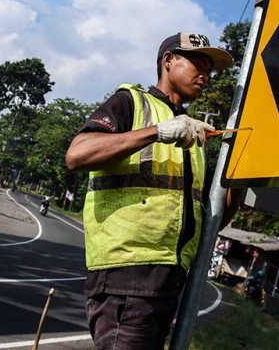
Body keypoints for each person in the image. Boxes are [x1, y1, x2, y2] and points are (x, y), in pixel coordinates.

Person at [65, 32, 244, 349]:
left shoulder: (192, 134)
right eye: (197, 63)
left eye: (210, 70)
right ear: (168, 61)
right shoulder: (131, 103)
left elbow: (208, 218)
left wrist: (241, 179)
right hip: (126, 277)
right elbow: (78, 155)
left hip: (169, 283)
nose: (205, 75)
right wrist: (157, 132)